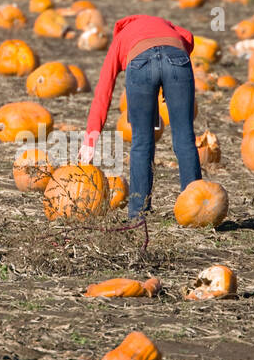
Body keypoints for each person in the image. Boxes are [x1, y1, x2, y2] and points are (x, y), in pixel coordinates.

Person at [77, 14, 201, 219]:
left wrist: (91, 138)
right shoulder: (165, 24)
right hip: (177, 57)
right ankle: (196, 206)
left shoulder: (120, 38)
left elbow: (104, 90)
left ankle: (138, 211)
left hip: (140, 63)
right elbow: (187, 37)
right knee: (185, 137)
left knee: (141, 142)